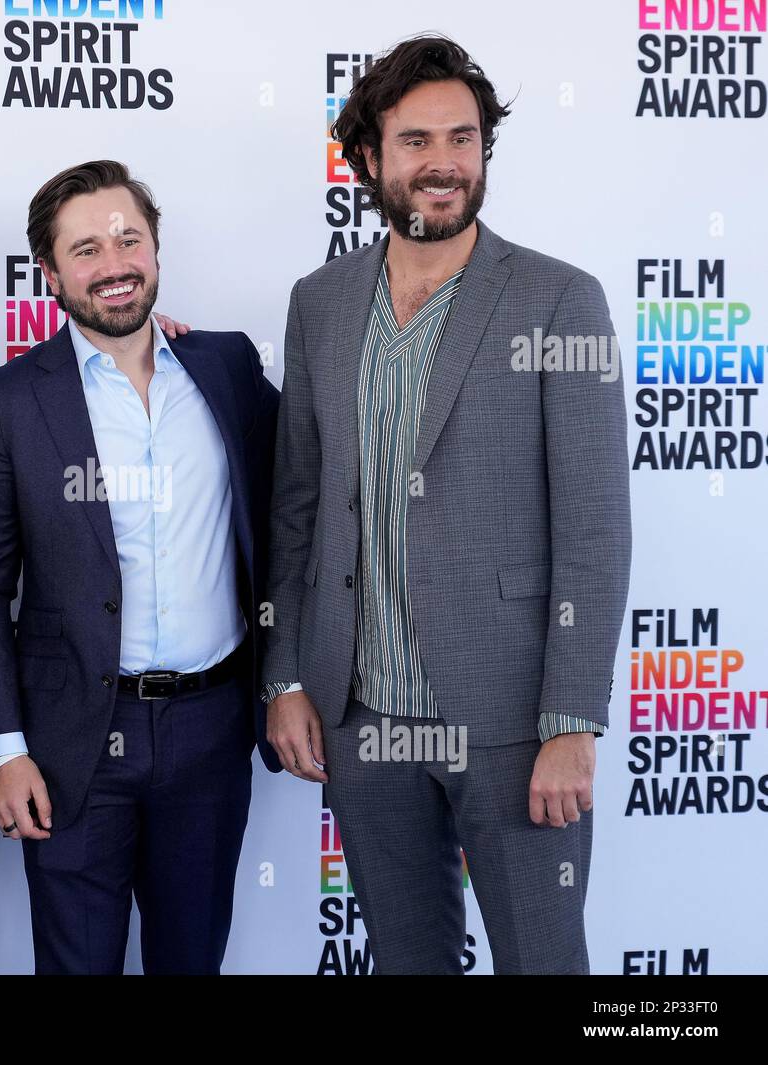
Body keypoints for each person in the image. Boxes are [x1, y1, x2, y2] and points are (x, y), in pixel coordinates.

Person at [263, 36, 631, 974]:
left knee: (545, 961)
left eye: (463, 139)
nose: (444, 164)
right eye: (417, 140)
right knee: (406, 958)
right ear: (371, 159)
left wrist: (570, 722)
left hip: (511, 721)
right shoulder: (322, 301)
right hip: (362, 712)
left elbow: (595, 528)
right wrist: (287, 676)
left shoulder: (559, 300)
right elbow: (298, 508)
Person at [0, 160, 281, 974]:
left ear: (157, 247)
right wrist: (4, 749)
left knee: (192, 960)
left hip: (212, 730)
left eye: (128, 237)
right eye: (86, 248)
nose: (113, 262)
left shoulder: (227, 368)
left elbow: (298, 509)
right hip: (70, 739)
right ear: (51, 273)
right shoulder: (8, 402)